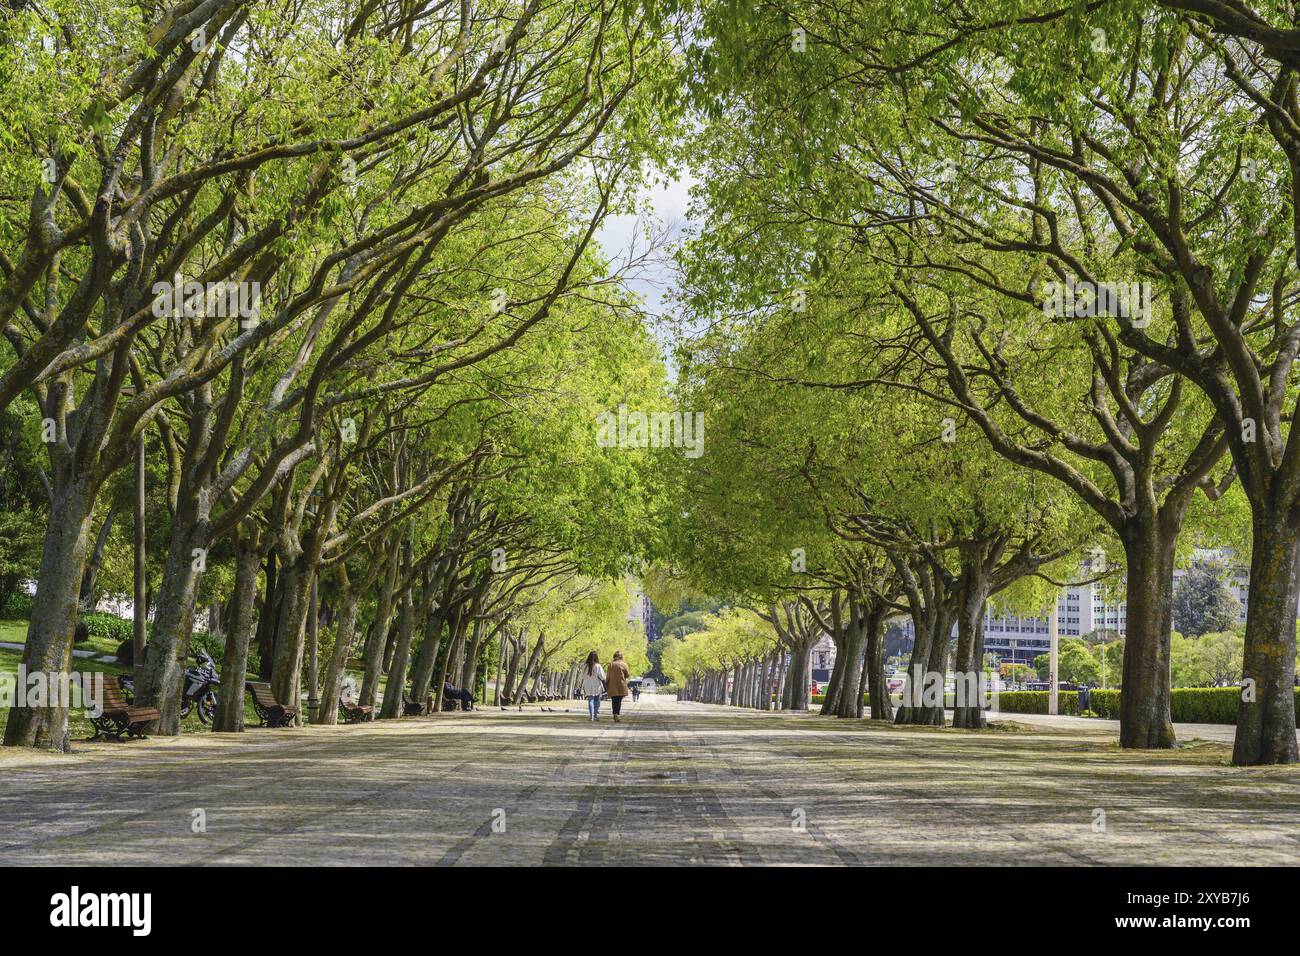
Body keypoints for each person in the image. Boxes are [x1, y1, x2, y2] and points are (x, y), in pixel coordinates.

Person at [579, 651, 606, 721]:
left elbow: (582, 676)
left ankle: (591, 716)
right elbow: (602, 677)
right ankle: (595, 715)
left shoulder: (585, 666)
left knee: (590, 700)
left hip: (588, 685)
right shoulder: (598, 666)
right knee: (597, 700)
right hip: (597, 685)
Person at [606, 650, 631, 723]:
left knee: (614, 700)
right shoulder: (624, 664)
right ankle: (617, 714)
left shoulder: (610, 664)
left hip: (612, 685)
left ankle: (615, 714)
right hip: (621, 684)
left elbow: (608, 676)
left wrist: (606, 683)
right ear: (621, 657)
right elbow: (627, 674)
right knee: (619, 700)